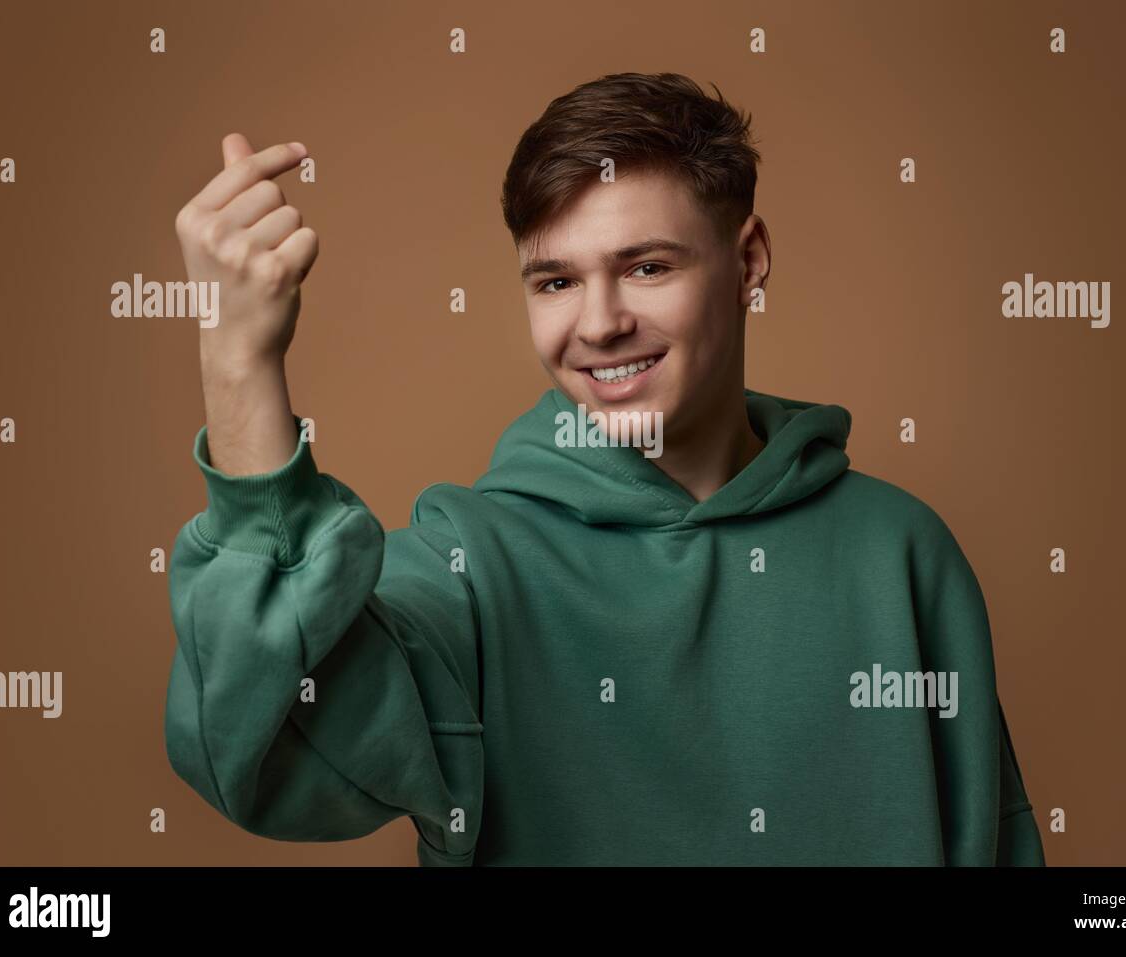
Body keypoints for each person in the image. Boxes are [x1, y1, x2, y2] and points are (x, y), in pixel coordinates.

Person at [163, 71, 1045, 866]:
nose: (600, 322)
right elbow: (262, 749)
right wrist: (239, 364)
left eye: (647, 266)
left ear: (748, 262)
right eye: (555, 282)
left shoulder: (901, 551)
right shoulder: (467, 564)